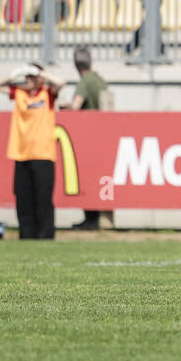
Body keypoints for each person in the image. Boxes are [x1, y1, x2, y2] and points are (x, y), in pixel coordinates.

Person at [0, 62, 66, 240]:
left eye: (31, 77)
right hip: (21, 152)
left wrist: (41, 74)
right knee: (23, 197)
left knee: (43, 198)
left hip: (43, 153)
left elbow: (61, 83)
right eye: (27, 77)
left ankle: (45, 235)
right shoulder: (20, 93)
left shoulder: (47, 94)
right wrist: (13, 75)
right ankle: (26, 235)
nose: (28, 80)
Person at [68, 47, 111, 231]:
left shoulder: (85, 82)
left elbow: (76, 106)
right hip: (103, 136)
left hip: (88, 137)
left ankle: (91, 218)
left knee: (85, 178)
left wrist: (65, 107)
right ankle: (100, 218)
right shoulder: (100, 80)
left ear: (76, 64)